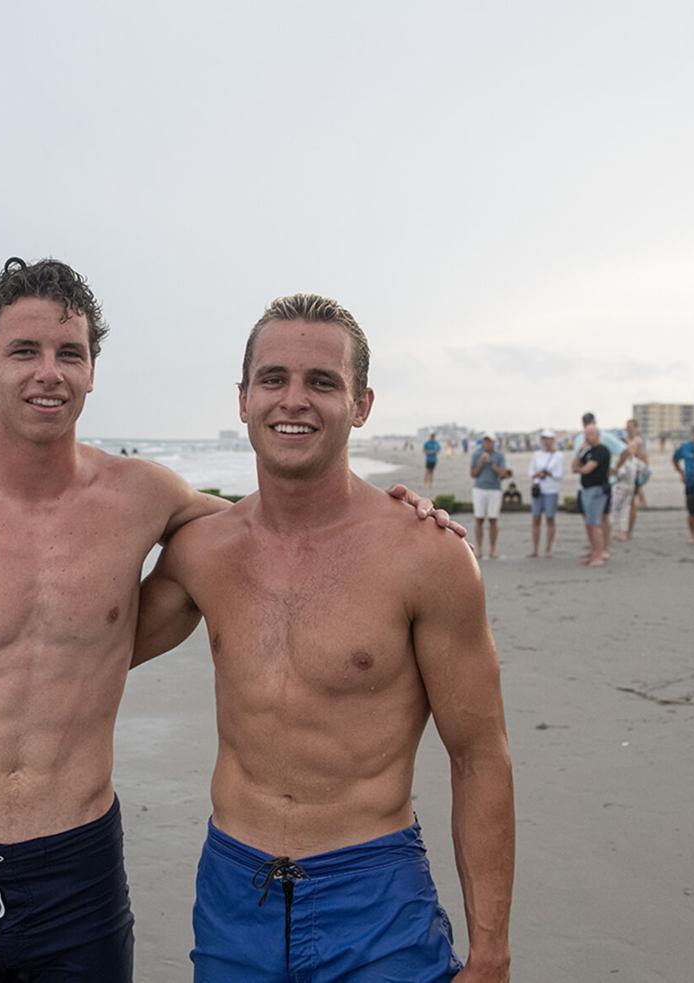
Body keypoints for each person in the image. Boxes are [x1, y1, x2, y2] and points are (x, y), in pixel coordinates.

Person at [0, 259, 459, 983]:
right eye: (24, 353)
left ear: (93, 370)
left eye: (70, 354)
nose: (49, 373)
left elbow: (282, 532)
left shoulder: (143, 497)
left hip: (79, 866)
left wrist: (394, 515)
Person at [135, 293, 513, 983]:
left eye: (322, 382)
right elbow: (79, 646)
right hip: (233, 890)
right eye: (274, 379)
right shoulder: (203, 552)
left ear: (361, 404)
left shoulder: (425, 556)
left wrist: (491, 949)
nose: (294, 400)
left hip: (374, 892)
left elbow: (480, 754)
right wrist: (11, 508)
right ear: (244, 398)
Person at [572, 423, 612, 567]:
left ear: (597, 435)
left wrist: (580, 468)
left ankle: (599, 554)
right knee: (589, 523)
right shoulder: (587, 451)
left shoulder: (601, 451)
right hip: (586, 489)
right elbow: (574, 468)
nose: (587, 437)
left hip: (597, 489)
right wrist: (579, 452)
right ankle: (594, 552)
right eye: (585, 434)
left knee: (595, 523)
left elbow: (587, 469)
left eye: (589, 434)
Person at [470, 434, 509, 559]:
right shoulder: (477, 454)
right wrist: (481, 462)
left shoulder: (499, 456)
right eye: (485, 442)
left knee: (493, 519)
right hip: (479, 489)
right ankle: (479, 548)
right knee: (479, 519)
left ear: (493, 443)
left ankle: (493, 549)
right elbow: (473, 474)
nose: (487, 444)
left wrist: (491, 462)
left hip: (494, 489)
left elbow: (503, 473)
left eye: (489, 442)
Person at [528, 429, 563, 558]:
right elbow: (531, 472)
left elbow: (559, 475)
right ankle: (535, 549)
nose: (546, 442)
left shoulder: (558, 455)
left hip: (551, 490)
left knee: (550, 518)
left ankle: (548, 549)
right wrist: (537, 474)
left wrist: (549, 473)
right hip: (538, 489)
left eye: (549, 439)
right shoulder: (536, 454)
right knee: (535, 518)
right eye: (544, 439)